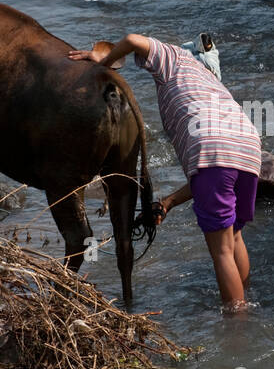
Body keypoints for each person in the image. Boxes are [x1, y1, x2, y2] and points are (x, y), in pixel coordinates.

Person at [68, 33, 260, 310]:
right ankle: (245, 299)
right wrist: (168, 203)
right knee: (234, 236)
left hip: (212, 148)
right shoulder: (214, 85)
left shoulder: (178, 58)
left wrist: (104, 59)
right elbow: (209, 174)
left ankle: (237, 327)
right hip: (249, 148)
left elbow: (133, 40)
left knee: (221, 252)